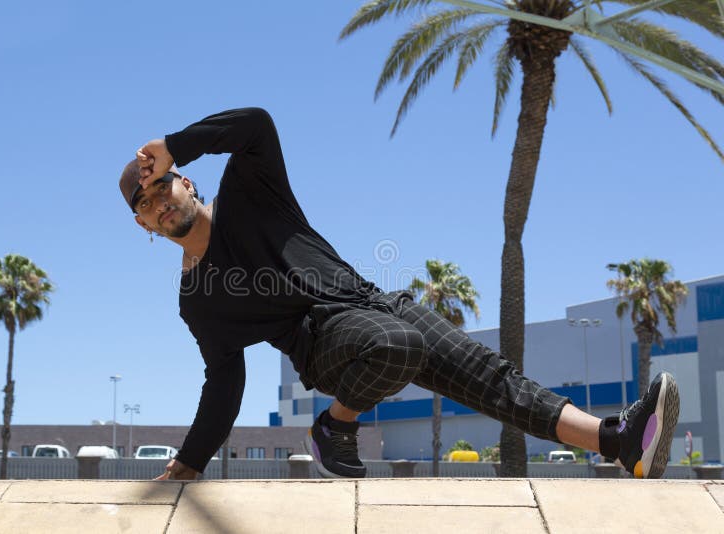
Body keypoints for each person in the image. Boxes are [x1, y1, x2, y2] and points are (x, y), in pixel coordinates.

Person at [119, 107, 679, 481]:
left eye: (161, 187)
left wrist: (173, 144)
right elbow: (225, 380)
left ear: (184, 180)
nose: (160, 204)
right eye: (146, 205)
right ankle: (334, 426)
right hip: (324, 344)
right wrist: (191, 463)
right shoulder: (198, 298)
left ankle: (617, 441)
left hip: (373, 301)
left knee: (489, 377)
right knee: (397, 344)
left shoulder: (249, 190)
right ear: (145, 228)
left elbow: (256, 126)